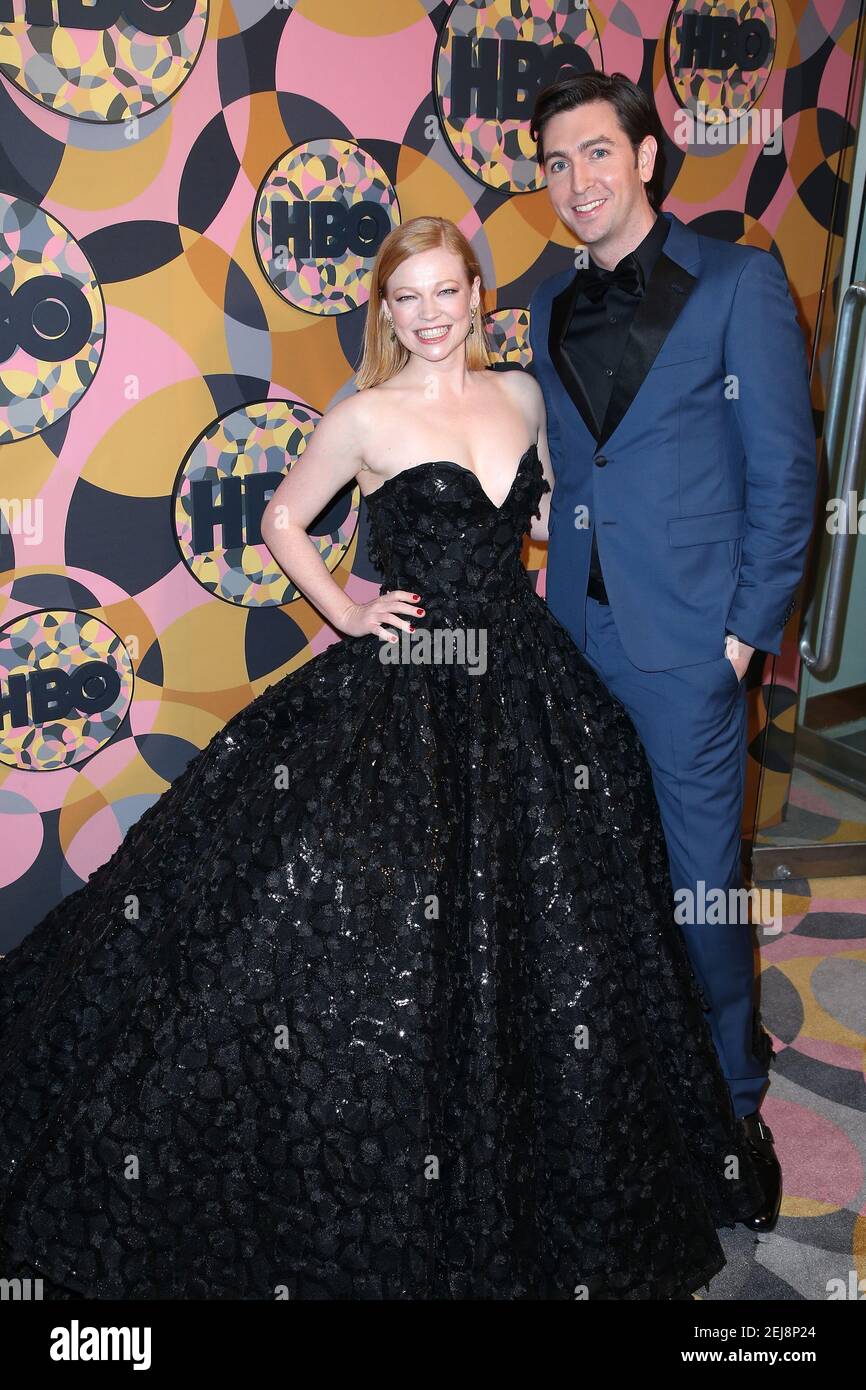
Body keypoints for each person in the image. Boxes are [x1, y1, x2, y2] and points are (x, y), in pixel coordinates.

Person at [0, 215, 767, 1301]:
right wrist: (350, 614)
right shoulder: (364, 414)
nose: (427, 313)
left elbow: (580, 505)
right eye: (403, 297)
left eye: (442, 290)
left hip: (528, 684)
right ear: (384, 310)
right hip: (402, 689)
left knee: (562, 931)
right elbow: (280, 520)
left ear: (474, 291)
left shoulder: (523, 394)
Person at [527, 72, 818, 1233]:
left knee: (700, 889)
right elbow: (572, 462)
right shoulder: (549, 296)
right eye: (554, 163)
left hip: (688, 646)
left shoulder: (738, 281)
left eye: (596, 152)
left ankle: (731, 1106)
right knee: (600, 881)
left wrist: (743, 636)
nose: (577, 180)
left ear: (645, 158)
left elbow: (784, 475)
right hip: (571, 638)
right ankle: (623, 1088)